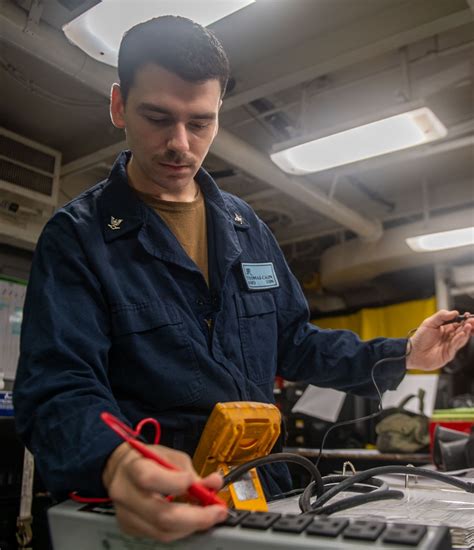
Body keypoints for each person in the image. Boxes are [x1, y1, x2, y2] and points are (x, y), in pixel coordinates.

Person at [13, 15, 473, 543]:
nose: (180, 144)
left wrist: (405, 355)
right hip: (151, 509)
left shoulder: (246, 227)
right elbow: (57, 389)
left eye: (200, 122)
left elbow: (296, 343)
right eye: (157, 117)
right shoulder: (78, 237)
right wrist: (117, 463)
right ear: (119, 105)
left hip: (262, 496)